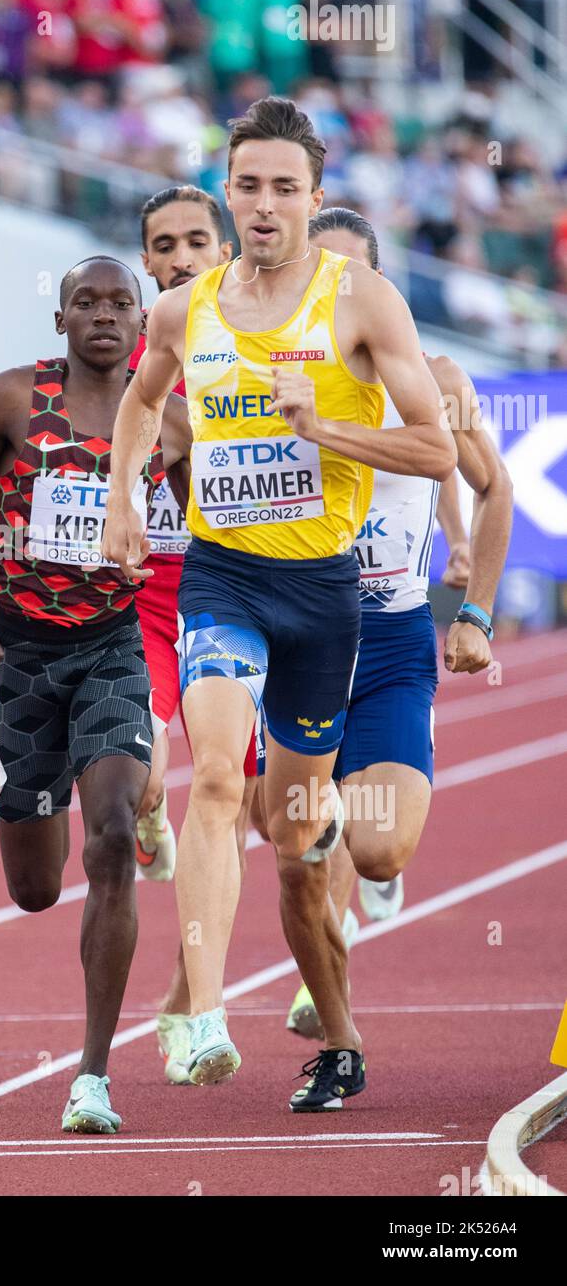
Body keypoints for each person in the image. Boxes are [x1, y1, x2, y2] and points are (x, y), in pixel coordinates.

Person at [103, 96, 456, 1111]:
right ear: (227, 190)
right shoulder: (184, 307)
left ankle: (325, 967)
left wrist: (329, 433)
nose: (263, 205)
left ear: (311, 197)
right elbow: (139, 402)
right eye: (246, 185)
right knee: (214, 776)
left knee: (296, 831)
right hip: (223, 577)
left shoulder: (359, 302)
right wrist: (126, 506)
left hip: (321, 594)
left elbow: (433, 451)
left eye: (283, 188)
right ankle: (201, 1013)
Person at [0, 255, 192, 1134]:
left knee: (110, 836)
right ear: (61, 321)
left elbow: (212, 537)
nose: (104, 316)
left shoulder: (171, 418)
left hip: (115, 645)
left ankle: (92, 1075)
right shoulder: (10, 401)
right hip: (24, 657)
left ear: (142, 322)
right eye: (86, 303)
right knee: (35, 887)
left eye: (121, 303)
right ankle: (32, 802)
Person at [282, 206, 513, 1039]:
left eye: (352, 275)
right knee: (292, 842)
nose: (336, 292)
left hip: (387, 634)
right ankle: (329, 1013)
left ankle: (372, 807)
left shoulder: (434, 376)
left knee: (373, 846)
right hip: (292, 634)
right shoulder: (269, 370)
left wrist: (474, 612)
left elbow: (492, 488)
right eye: (321, 274)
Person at [127, 185, 258, 1086]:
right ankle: (141, 820)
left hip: (237, 590)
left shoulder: (264, 343)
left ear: (223, 247)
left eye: (194, 242)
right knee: (145, 773)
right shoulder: (124, 359)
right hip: (142, 601)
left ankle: (182, 1002)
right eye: (163, 245)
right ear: (146, 262)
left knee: (231, 801)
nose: (180, 257)